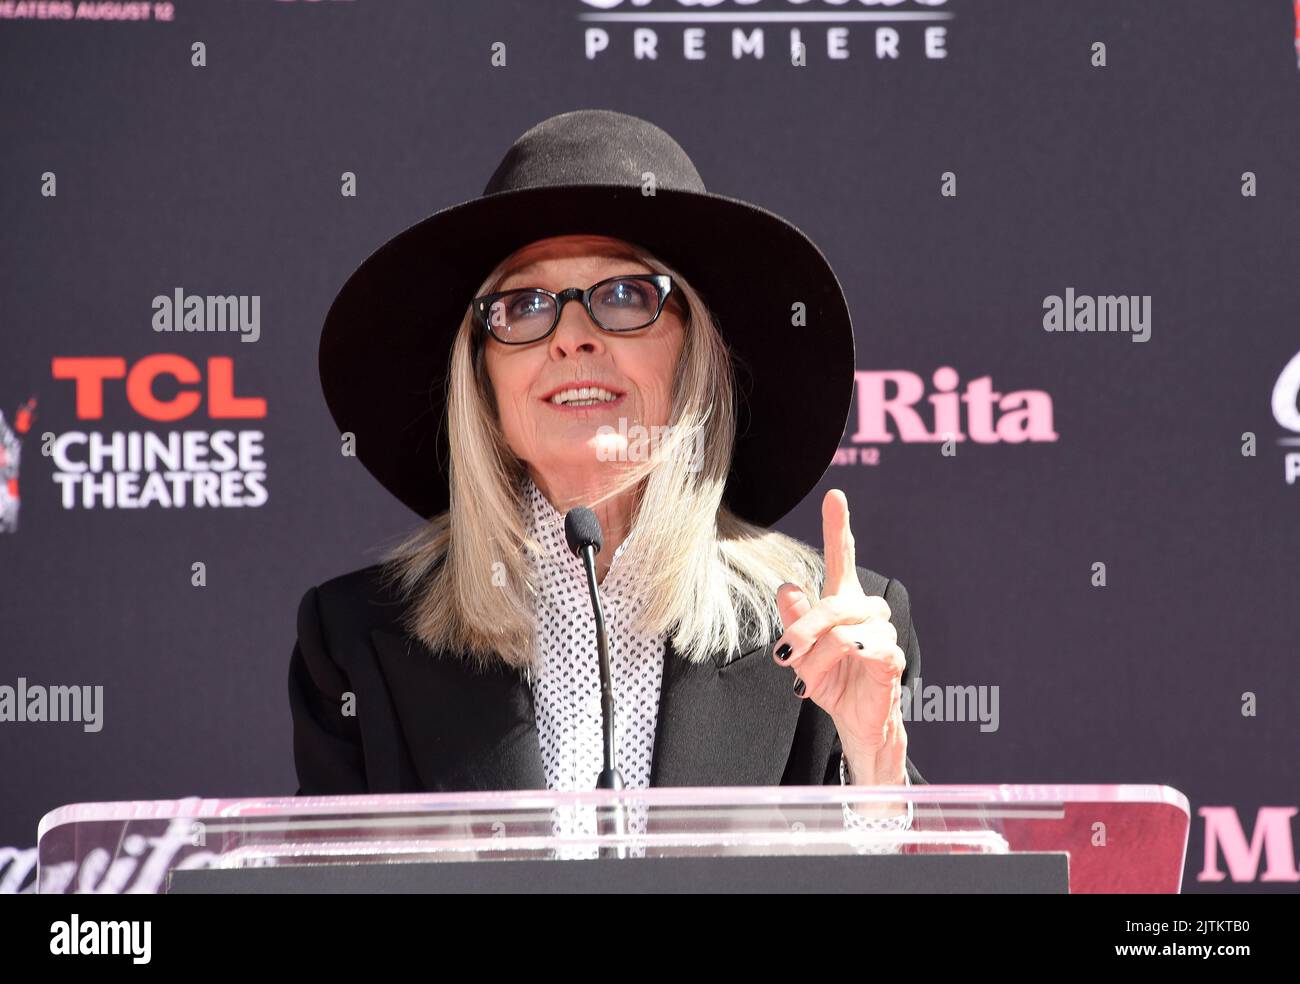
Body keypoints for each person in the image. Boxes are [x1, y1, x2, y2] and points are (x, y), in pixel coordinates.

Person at [291, 110, 925, 830]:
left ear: (695, 353)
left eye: (624, 296)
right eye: (525, 305)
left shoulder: (823, 631)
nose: (571, 338)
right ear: (483, 375)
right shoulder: (352, 637)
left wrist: (874, 766)